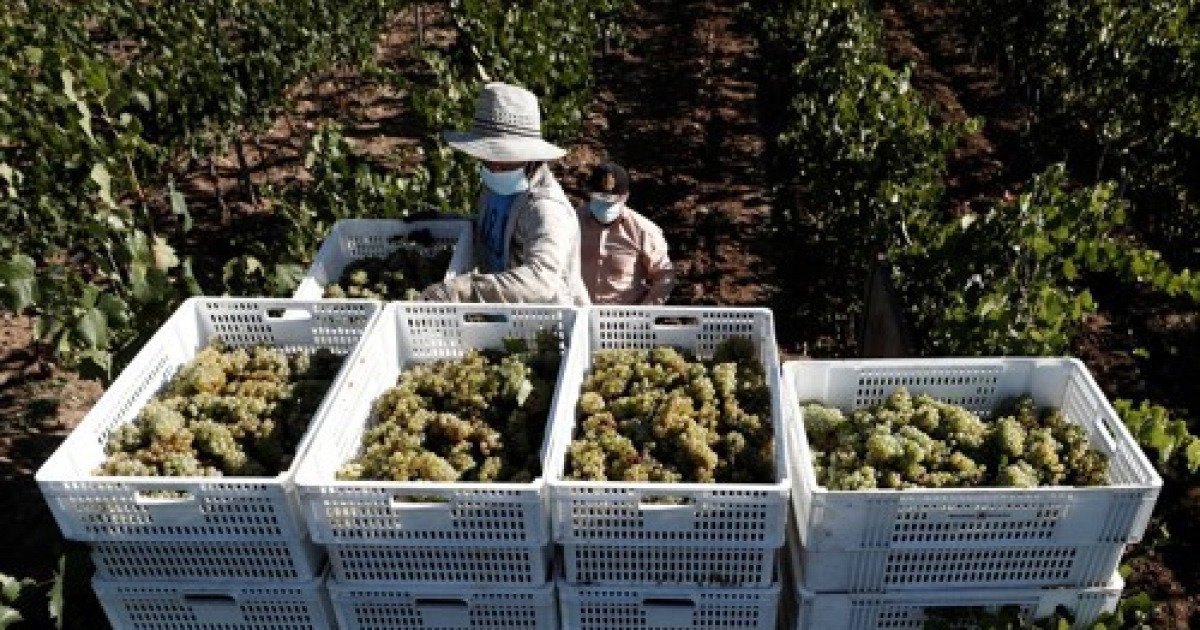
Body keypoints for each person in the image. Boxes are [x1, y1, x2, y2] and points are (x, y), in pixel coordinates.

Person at [419, 82, 590, 305]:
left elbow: (541, 282)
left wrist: (463, 289)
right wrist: (446, 222)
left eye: (503, 158)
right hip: (502, 315)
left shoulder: (545, 209)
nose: (494, 166)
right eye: (487, 158)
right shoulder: (497, 181)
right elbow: (491, 228)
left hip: (546, 324)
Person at [577, 161, 675, 305]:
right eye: (600, 198)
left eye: (612, 200)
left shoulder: (643, 231)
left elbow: (665, 275)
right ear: (590, 194)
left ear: (625, 197)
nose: (605, 204)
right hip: (579, 315)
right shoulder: (572, 222)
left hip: (624, 320)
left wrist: (642, 314)